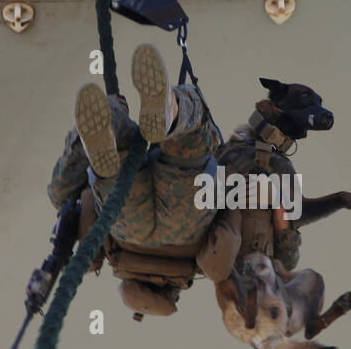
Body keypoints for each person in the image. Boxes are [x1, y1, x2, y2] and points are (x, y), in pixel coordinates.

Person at [48, 45, 300, 316]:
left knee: (192, 141)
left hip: (187, 224)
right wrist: (83, 164)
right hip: (124, 224)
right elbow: (65, 197)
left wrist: (264, 202)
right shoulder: (114, 256)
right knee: (113, 161)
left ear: (176, 289)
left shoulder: (199, 264)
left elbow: (264, 246)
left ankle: (171, 112)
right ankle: (111, 127)